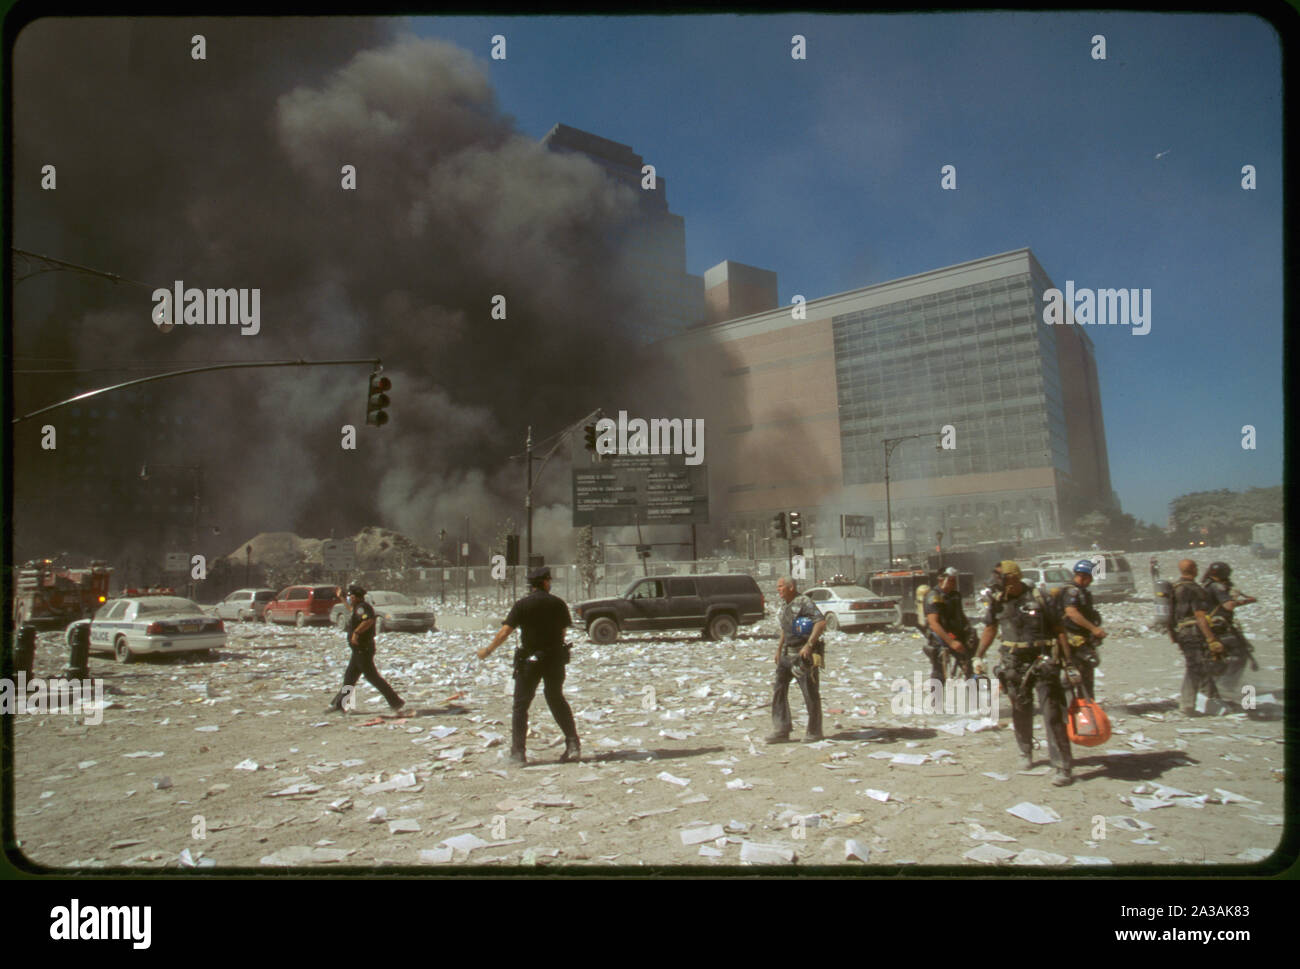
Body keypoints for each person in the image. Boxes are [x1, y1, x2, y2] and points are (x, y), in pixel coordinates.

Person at [973, 561, 1074, 786]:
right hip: (1013, 661)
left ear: (1013, 577)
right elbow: (990, 629)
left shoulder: (1041, 598)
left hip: (1042, 658)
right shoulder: (997, 602)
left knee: (1052, 713)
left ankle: (1062, 765)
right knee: (1020, 708)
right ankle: (1025, 752)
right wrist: (978, 655)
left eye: (1001, 577)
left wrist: (1069, 662)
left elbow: (1059, 630)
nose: (996, 582)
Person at [478, 566, 580, 765]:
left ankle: (518, 753)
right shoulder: (558, 604)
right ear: (544, 582)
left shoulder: (522, 605)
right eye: (549, 581)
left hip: (530, 662)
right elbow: (562, 634)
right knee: (556, 698)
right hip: (554, 659)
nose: (550, 584)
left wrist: (488, 650)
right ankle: (573, 744)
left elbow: (505, 632)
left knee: (520, 706)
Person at [328, 584, 406, 716]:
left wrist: (356, 633)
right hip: (359, 650)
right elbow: (351, 610)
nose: (349, 599)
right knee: (349, 678)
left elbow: (369, 620)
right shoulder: (359, 608)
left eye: (350, 597)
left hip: (363, 649)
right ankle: (340, 705)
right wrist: (341, 597)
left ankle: (396, 702)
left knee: (372, 677)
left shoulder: (363, 608)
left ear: (356, 597)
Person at [765, 576, 827, 744]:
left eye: (780, 587)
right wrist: (778, 649)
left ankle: (815, 731)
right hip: (786, 655)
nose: (778, 590)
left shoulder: (804, 602)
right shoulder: (785, 605)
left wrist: (809, 645)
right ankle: (781, 729)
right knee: (779, 690)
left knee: (809, 692)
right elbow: (786, 628)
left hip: (802, 656)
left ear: (790, 587)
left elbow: (820, 623)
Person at [1168, 559, 1221, 715]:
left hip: (1181, 632)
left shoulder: (1175, 587)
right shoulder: (1195, 589)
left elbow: (1170, 615)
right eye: (1196, 566)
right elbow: (1200, 616)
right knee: (1195, 668)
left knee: (1200, 666)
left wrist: (1173, 635)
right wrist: (1211, 639)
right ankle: (1188, 705)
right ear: (1193, 569)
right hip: (1194, 632)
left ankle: (1208, 701)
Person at [1200, 561, 1258, 697]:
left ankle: (1213, 685)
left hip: (1210, 627)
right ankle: (1226, 685)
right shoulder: (1216, 586)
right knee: (1239, 655)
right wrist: (1245, 601)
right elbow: (1229, 605)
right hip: (1219, 627)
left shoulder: (1206, 584)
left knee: (1218, 656)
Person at [1060, 559, 1107, 699]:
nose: (1091, 581)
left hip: (1082, 639)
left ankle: (1085, 705)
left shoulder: (1081, 591)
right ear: (1084, 576)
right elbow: (1072, 613)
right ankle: (1073, 710)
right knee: (1074, 675)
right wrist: (1093, 629)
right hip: (1073, 640)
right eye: (1091, 577)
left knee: (1086, 676)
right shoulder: (1072, 592)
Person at [923, 567, 973, 683]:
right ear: (941, 580)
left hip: (957, 636)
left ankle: (974, 699)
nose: (954, 584)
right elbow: (934, 623)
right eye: (951, 581)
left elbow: (961, 615)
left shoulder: (955, 595)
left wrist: (968, 631)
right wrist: (951, 642)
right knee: (939, 675)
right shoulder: (934, 596)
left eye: (955, 580)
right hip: (941, 638)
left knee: (971, 669)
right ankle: (936, 700)